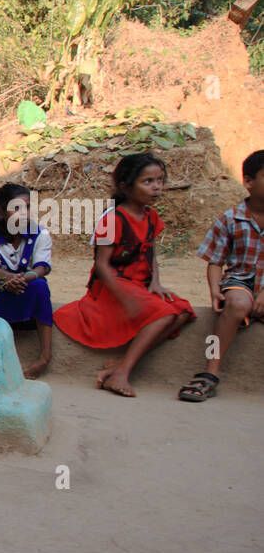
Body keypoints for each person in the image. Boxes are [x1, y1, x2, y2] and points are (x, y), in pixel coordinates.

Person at [54, 153, 195, 397]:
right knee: (162, 315)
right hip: (112, 286)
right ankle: (122, 373)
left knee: (182, 312)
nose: (156, 187)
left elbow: (150, 252)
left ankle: (120, 362)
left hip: (139, 285)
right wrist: (124, 296)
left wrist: (156, 283)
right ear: (125, 186)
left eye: (159, 180)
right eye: (147, 181)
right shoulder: (112, 219)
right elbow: (101, 265)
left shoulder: (151, 217)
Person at [178, 149, 264, 402]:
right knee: (236, 305)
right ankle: (210, 370)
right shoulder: (230, 218)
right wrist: (215, 288)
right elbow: (215, 261)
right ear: (249, 182)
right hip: (242, 280)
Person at [0, 183, 54, 378]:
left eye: (27, 207)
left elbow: (42, 267)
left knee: (40, 286)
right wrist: (7, 279)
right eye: (16, 208)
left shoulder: (40, 234)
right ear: (1, 213)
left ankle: (44, 357)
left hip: (26, 287)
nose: (24, 213)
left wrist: (23, 278)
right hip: (3, 287)